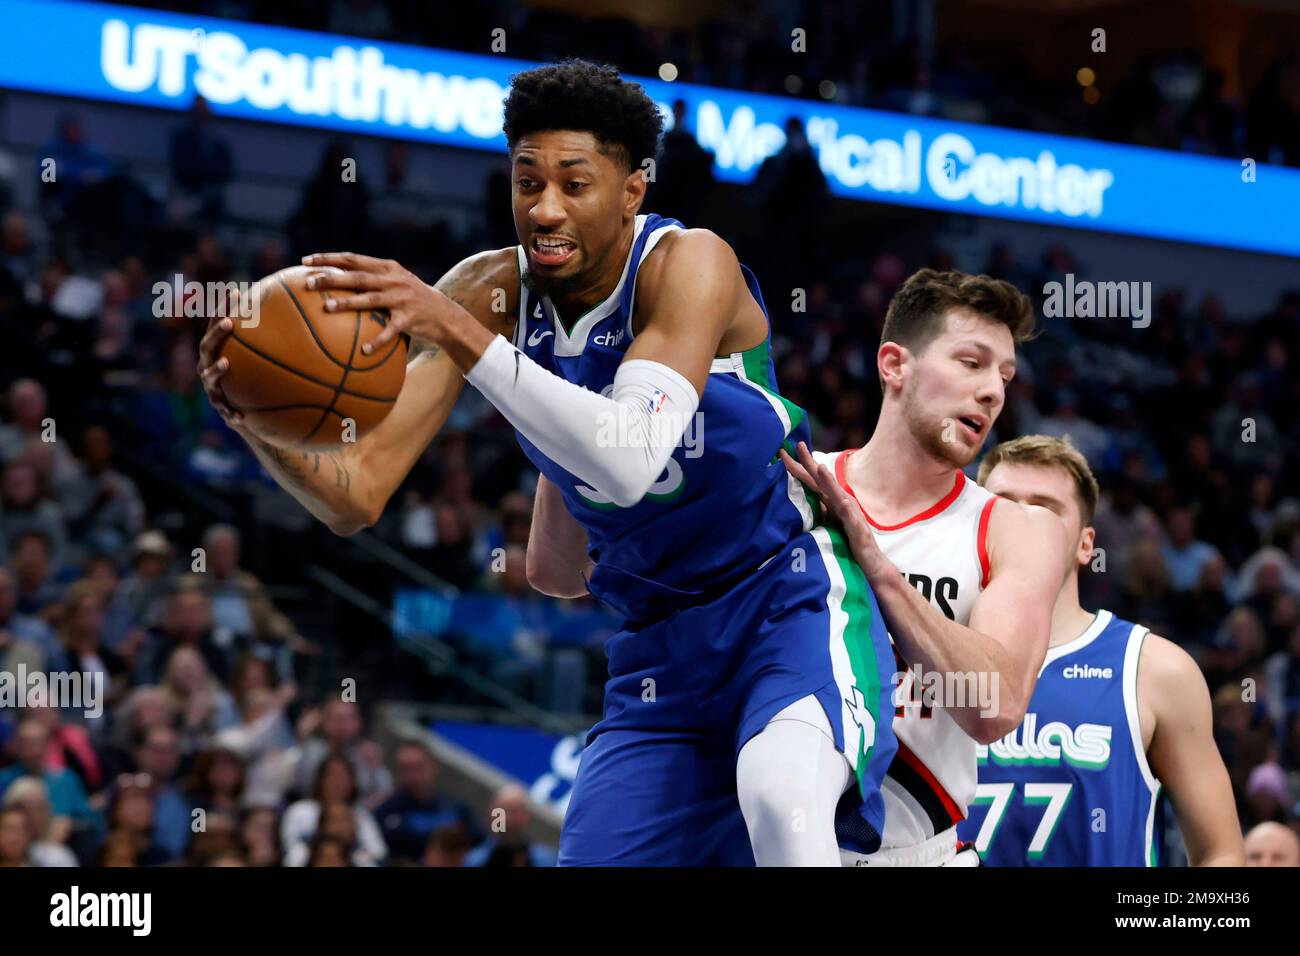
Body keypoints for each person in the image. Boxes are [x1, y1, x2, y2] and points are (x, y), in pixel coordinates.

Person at [198, 59, 897, 866]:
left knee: (783, 802)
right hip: (659, 648)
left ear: (633, 189)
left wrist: (460, 334)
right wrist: (252, 418)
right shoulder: (490, 290)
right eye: (526, 182)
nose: (545, 207)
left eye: (574, 182)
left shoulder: (687, 263)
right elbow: (358, 493)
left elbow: (630, 458)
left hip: (785, 601)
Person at [782, 269, 1069, 866]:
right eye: (972, 362)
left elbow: (995, 706)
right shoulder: (792, 487)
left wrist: (877, 568)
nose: (993, 391)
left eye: (1005, 377)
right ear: (894, 365)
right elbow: (572, 577)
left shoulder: (1017, 530)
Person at [953, 434, 1243, 865]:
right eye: (1003, 502)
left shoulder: (1154, 670)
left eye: (1044, 507)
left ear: (1085, 544)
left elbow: (1220, 852)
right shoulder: (922, 656)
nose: (1021, 518)